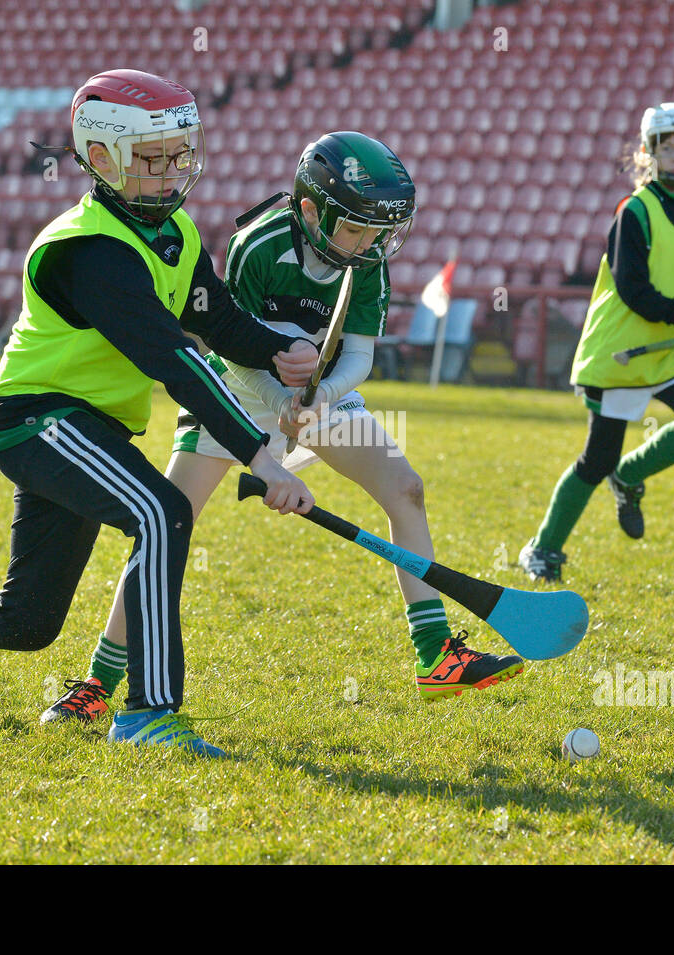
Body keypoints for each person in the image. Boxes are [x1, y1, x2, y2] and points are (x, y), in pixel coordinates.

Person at [0, 69, 321, 757]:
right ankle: (149, 712)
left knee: (25, 621)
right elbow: (174, 360)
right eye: (154, 158)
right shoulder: (91, 251)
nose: (174, 170)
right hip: (38, 421)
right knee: (161, 510)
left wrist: (281, 350)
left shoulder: (174, 232)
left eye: (180, 152)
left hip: (88, 429)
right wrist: (263, 460)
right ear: (101, 159)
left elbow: (221, 322)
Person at [40, 131, 524, 725]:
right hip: (237, 393)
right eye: (355, 229)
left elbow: (358, 357)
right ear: (310, 211)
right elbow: (230, 344)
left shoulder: (365, 258)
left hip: (322, 396)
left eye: (378, 232)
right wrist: (276, 394)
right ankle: (99, 681)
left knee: (406, 489)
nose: (369, 243)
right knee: (167, 528)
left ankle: (435, 655)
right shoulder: (258, 244)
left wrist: (320, 398)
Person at [518, 102, 674, 582]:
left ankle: (631, 474)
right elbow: (635, 291)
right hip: (621, 352)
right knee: (597, 458)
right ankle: (543, 549)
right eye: (667, 143)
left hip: (667, 352)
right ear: (649, 152)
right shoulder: (634, 212)